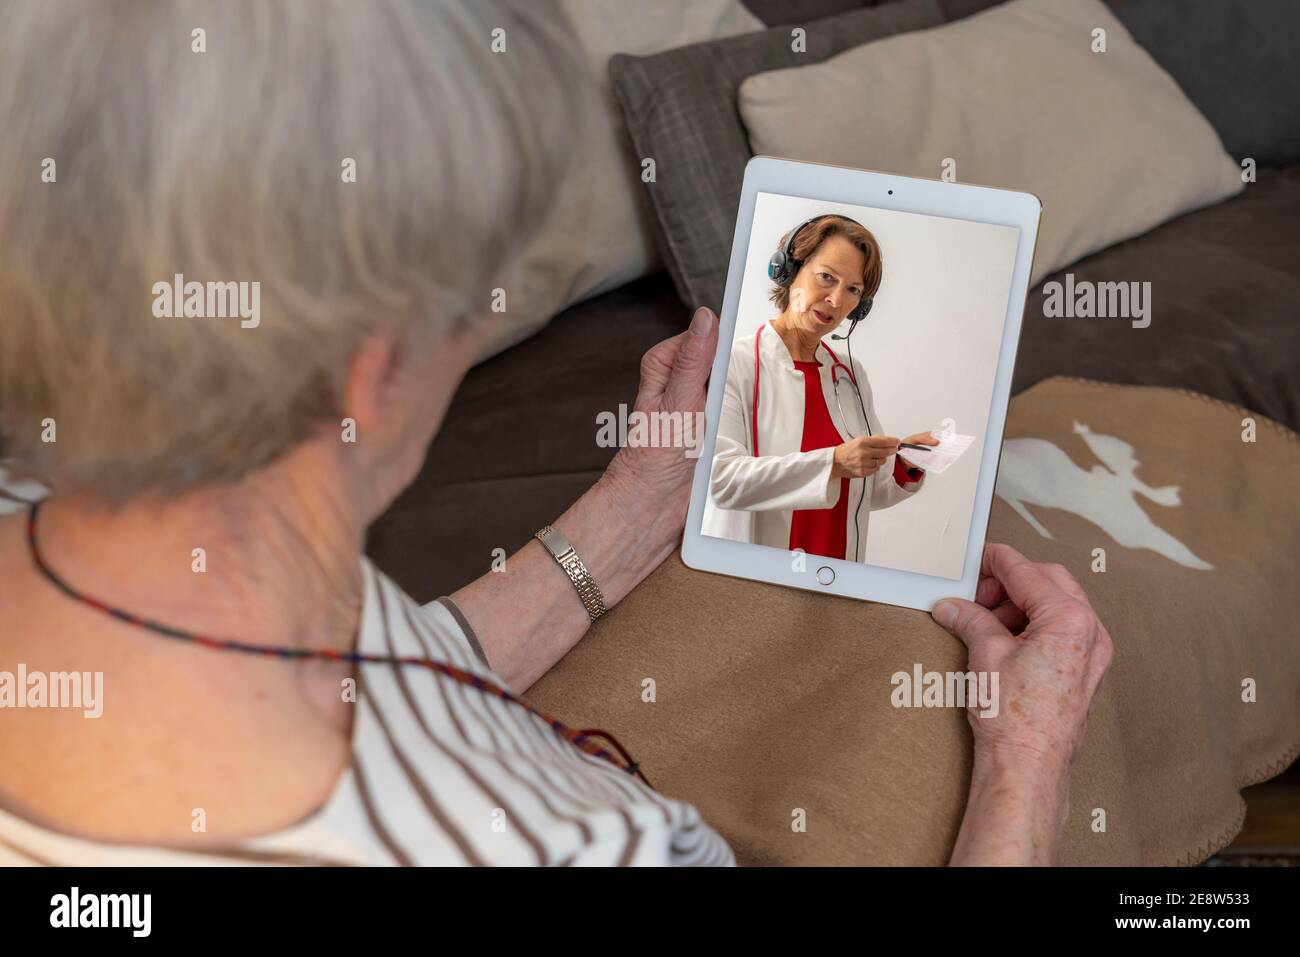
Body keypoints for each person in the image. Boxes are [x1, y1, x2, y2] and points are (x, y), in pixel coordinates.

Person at [0, 0, 1111, 866]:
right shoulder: (561, 850)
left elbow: (369, 678)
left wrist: (634, 511)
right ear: (377, 367)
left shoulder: (147, 537)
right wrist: (1032, 761)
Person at [703, 215, 940, 562]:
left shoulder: (851, 374)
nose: (835, 300)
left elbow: (866, 492)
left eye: (853, 290)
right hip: (756, 578)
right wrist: (834, 462)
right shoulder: (734, 363)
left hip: (838, 574)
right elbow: (723, 482)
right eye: (827, 277)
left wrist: (907, 460)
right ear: (787, 270)